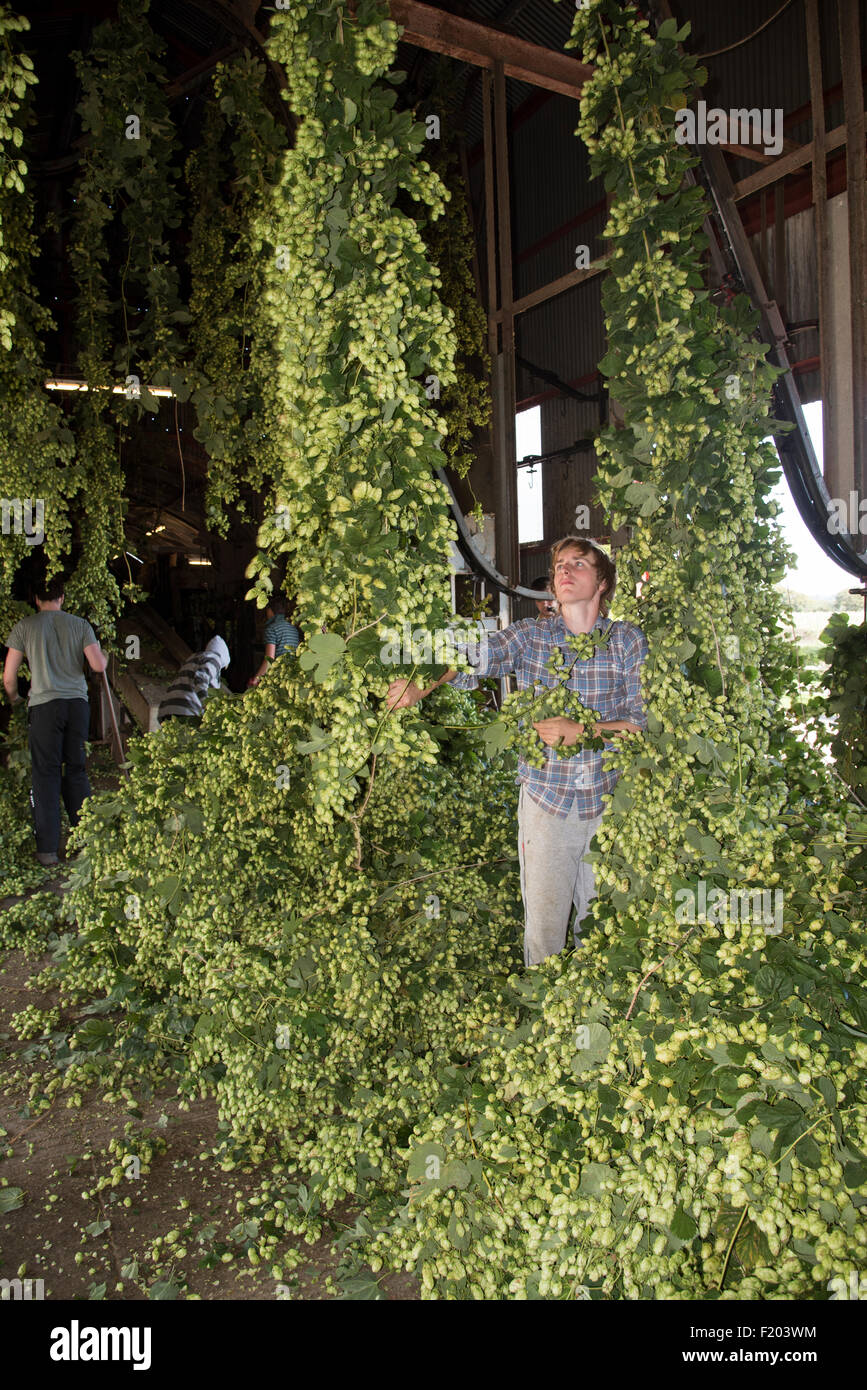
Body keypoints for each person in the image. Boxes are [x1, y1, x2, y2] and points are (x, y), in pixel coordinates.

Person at [387, 537, 648, 966]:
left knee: (602, 927)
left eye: (579, 564)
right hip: (547, 803)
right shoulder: (531, 635)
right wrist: (421, 687)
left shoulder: (626, 641)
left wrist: (583, 730)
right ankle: (547, 1011)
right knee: (545, 931)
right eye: (560, 564)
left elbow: (639, 729)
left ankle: (596, 1013)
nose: (564, 571)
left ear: (602, 582)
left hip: (610, 806)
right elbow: (472, 656)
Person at [2, 577, 107, 867]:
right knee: (76, 771)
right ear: (62, 597)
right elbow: (98, 666)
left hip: (44, 708)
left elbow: (9, 677)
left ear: (36, 598)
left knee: (45, 775)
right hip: (76, 706)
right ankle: (83, 843)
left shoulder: (25, 626)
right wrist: (105, 657)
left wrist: (16, 702)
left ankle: (48, 850)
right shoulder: (80, 625)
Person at [157, 636, 230, 724]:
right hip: (187, 711)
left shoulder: (194, 658)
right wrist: (207, 704)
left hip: (167, 709)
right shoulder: (214, 658)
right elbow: (201, 679)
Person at [248, 597, 300, 687]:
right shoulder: (293, 628)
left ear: (270, 611)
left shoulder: (271, 629)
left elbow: (269, 659)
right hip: (294, 677)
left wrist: (256, 679)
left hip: (280, 677)